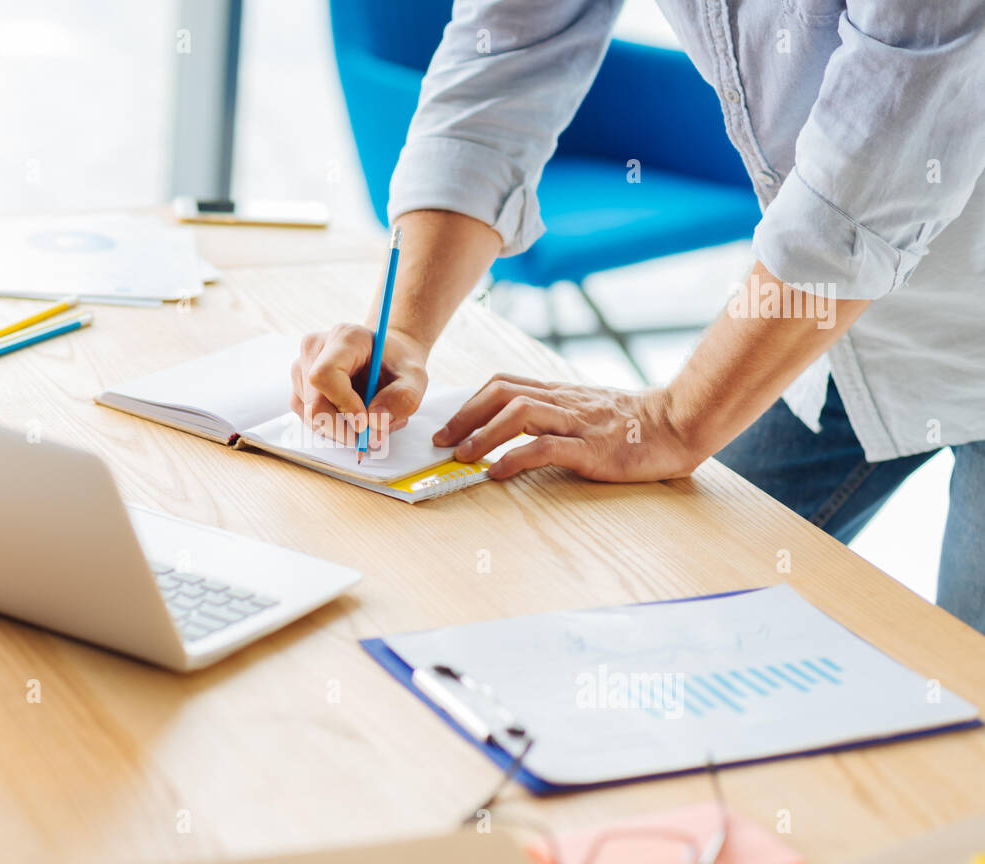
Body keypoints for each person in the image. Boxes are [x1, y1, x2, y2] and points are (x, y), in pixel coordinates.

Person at [290, 1, 984, 631]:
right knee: (661, 612)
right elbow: (502, 60)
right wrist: (405, 330)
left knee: (965, 698)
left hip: (917, 299)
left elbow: (875, 167)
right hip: (839, 327)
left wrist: (676, 419)